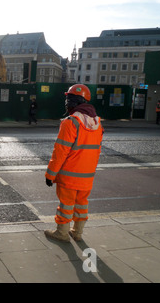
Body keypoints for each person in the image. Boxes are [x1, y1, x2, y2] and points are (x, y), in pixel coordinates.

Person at [44, 84, 104, 243]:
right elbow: (97, 152)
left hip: (69, 176)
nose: (66, 102)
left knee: (66, 204)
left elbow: (60, 152)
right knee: (82, 203)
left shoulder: (71, 122)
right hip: (87, 176)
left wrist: (50, 175)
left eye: (69, 99)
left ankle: (62, 233)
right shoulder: (97, 123)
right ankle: (77, 232)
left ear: (77, 102)